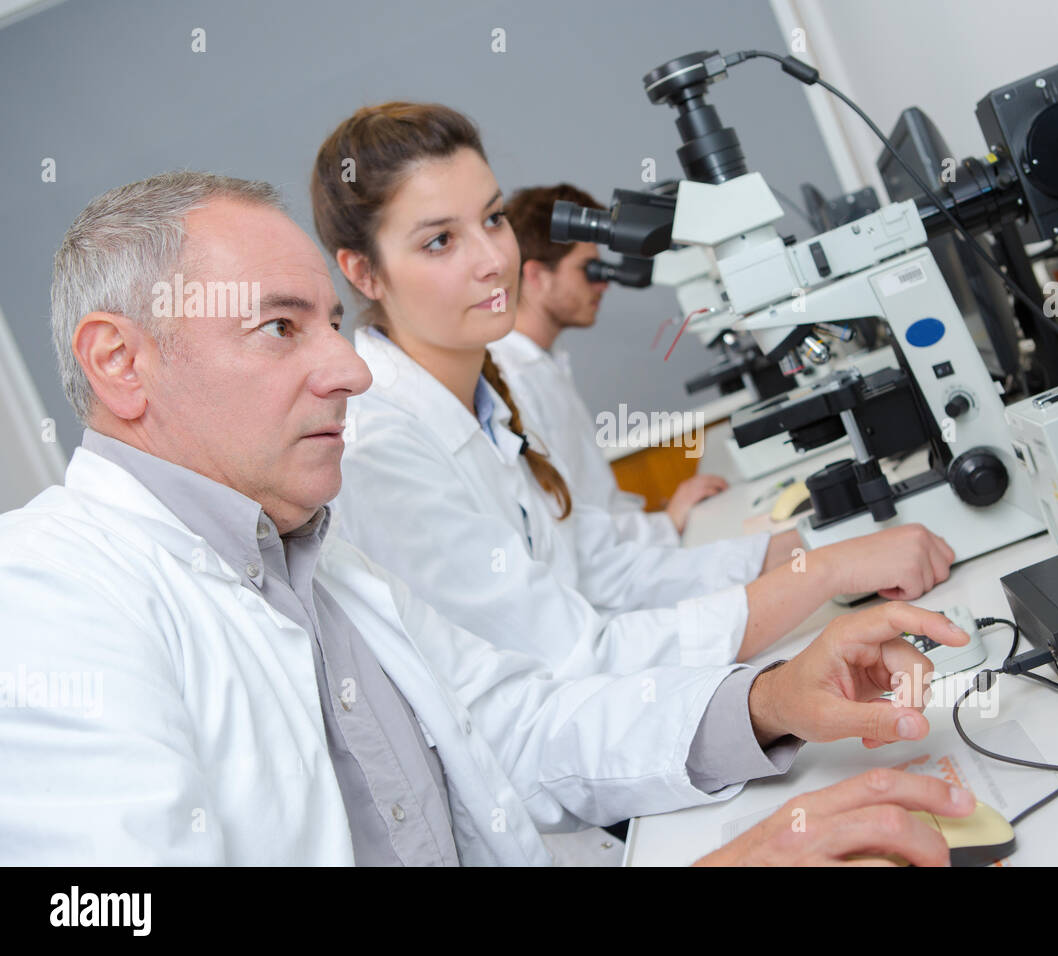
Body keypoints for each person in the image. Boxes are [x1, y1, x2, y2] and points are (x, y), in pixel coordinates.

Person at [0, 171, 975, 865]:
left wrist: (763, 701)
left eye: (332, 326)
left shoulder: (313, 558)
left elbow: (514, 718)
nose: (344, 368)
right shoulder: (46, 598)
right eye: (279, 328)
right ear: (120, 362)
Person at [315, 102, 956, 678]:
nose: (491, 259)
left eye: (493, 218)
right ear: (364, 272)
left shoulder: (484, 395)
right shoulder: (379, 447)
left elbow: (602, 570)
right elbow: (573, 656)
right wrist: (827, 573)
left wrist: (807, 549)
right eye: (440, 241)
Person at [488, 183, 720, 545]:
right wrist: (666, 522)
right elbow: (566, 526)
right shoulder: (514, 381)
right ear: (536, 276)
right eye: (589, 269)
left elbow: (594, 502)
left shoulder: (544, 364)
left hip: (627, 556)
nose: (603, 285)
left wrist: (660, 523)